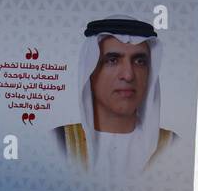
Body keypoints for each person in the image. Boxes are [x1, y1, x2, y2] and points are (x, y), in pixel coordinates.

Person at [53, 18, 178, 178]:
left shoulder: (170, 145)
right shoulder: (60, 142)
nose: (128, 75)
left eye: (139, 61)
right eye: (112, 61)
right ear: (90, 71)